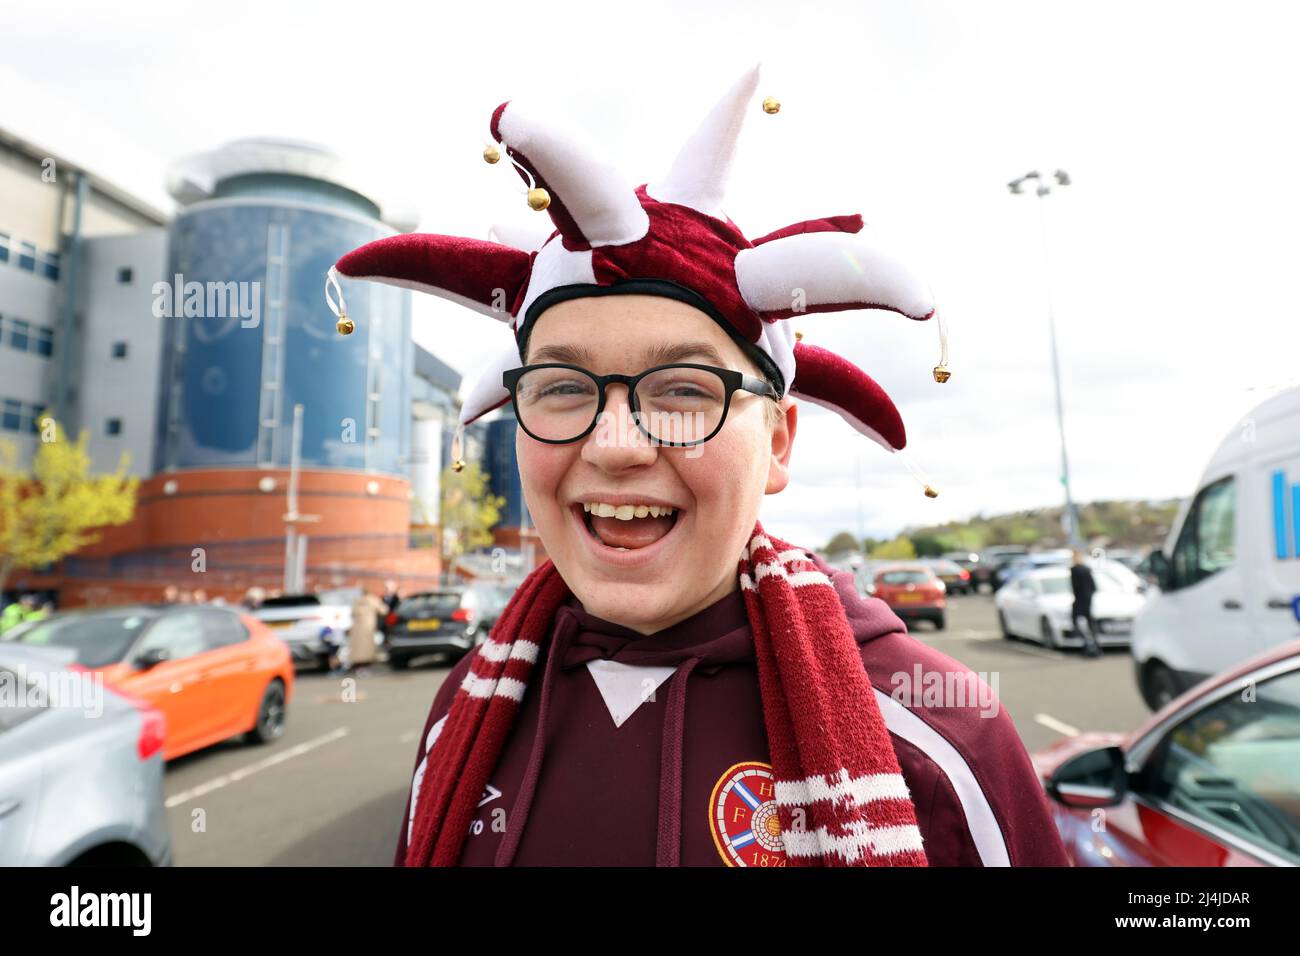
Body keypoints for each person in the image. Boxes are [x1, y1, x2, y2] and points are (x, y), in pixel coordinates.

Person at [332, 66, 1068, 868]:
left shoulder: (937, 738)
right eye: (561, 387)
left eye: (683, 390)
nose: (615, 446)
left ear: (779, 443)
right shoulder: (466, 707)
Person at [1070, 550, 1102, 658]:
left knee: (1079, 623)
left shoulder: (1076, 570)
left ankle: (1089, 647)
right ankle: (1092, 647)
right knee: (1090, 626)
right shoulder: (1085, 570)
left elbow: (1076, 588)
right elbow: (1093, 587)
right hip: (1086, 601)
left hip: (1082, 601)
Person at [347, 586, 386, 675]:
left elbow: (352, 613)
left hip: (356, 629)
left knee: (358, 648)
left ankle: (359, 666)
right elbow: (384, 610)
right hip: (368, 627)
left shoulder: (356, 601)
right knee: (367, 648)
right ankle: (366, 666)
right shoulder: (373, 600)